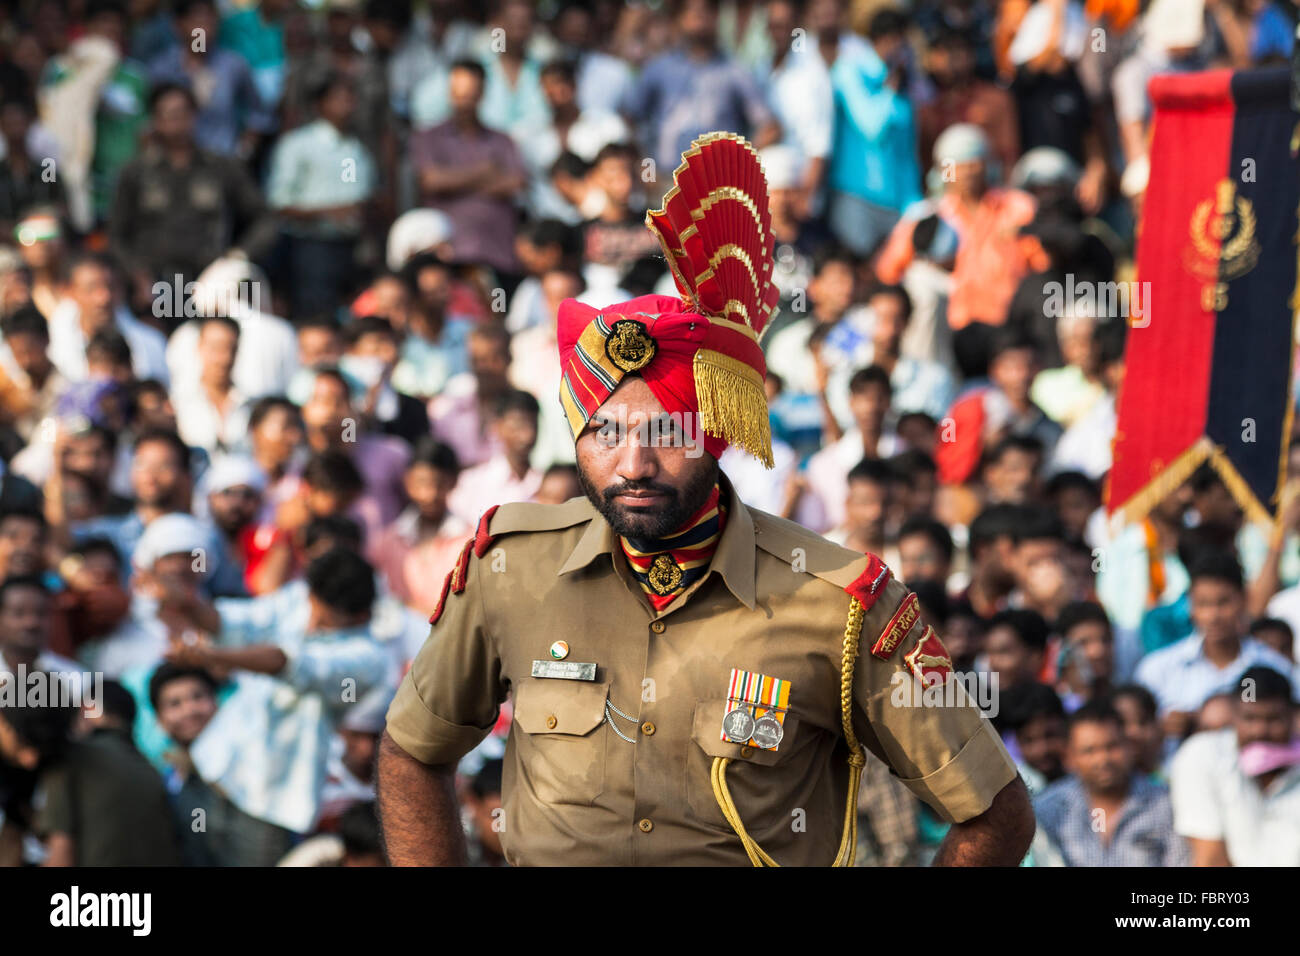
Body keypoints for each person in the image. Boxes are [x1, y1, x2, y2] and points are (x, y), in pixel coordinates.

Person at [378, 132, 1034, 867]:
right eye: (602, 433)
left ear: (715, 430)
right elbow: (412, 754)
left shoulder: (843, 604)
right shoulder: (510, 567)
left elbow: (994, 816)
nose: (633, 464)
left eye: (666, 433)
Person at [165, 547, 389, 864]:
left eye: (323, 617)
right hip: (213, 769)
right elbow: (236, 620)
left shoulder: (369, 659)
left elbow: (288, 663)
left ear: (360, 616)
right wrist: (185, 600)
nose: (310, 619)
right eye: (311, 605)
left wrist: (210, 657)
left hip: (269, 805)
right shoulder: (301, 596)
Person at [1135, 552, 1299, 740]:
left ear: (1243, 600)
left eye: (1223, 602)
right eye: (1203, 604)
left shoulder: (1275, 667)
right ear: (1190, 605)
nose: (1213, 616)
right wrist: (1161, 726)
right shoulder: (1157, 669)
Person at [1169, 665, 1300, 865]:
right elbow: (1210, 858)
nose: (1259, 731)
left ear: (1292, 718)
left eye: (1273, 719)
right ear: (1233, 715)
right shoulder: (1202, 755)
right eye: (1250, 718)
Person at [410, 59, 527, 279]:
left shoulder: (502, 141)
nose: (462, 102)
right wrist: (485, 172)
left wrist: (454, 184)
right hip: (448, 256)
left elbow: (515, 184)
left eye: (469, 95)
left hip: (497, 252)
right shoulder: (429, 138)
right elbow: (430, 181)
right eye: (458, 94)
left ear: (482, 94)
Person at [1034, 701, 1190, 866]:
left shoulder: (1166, 804)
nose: (1103, 759)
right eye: (1089, 751)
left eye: (1112, 746)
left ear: (1129, 746)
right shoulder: (1048, 810)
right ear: (1070, 756)